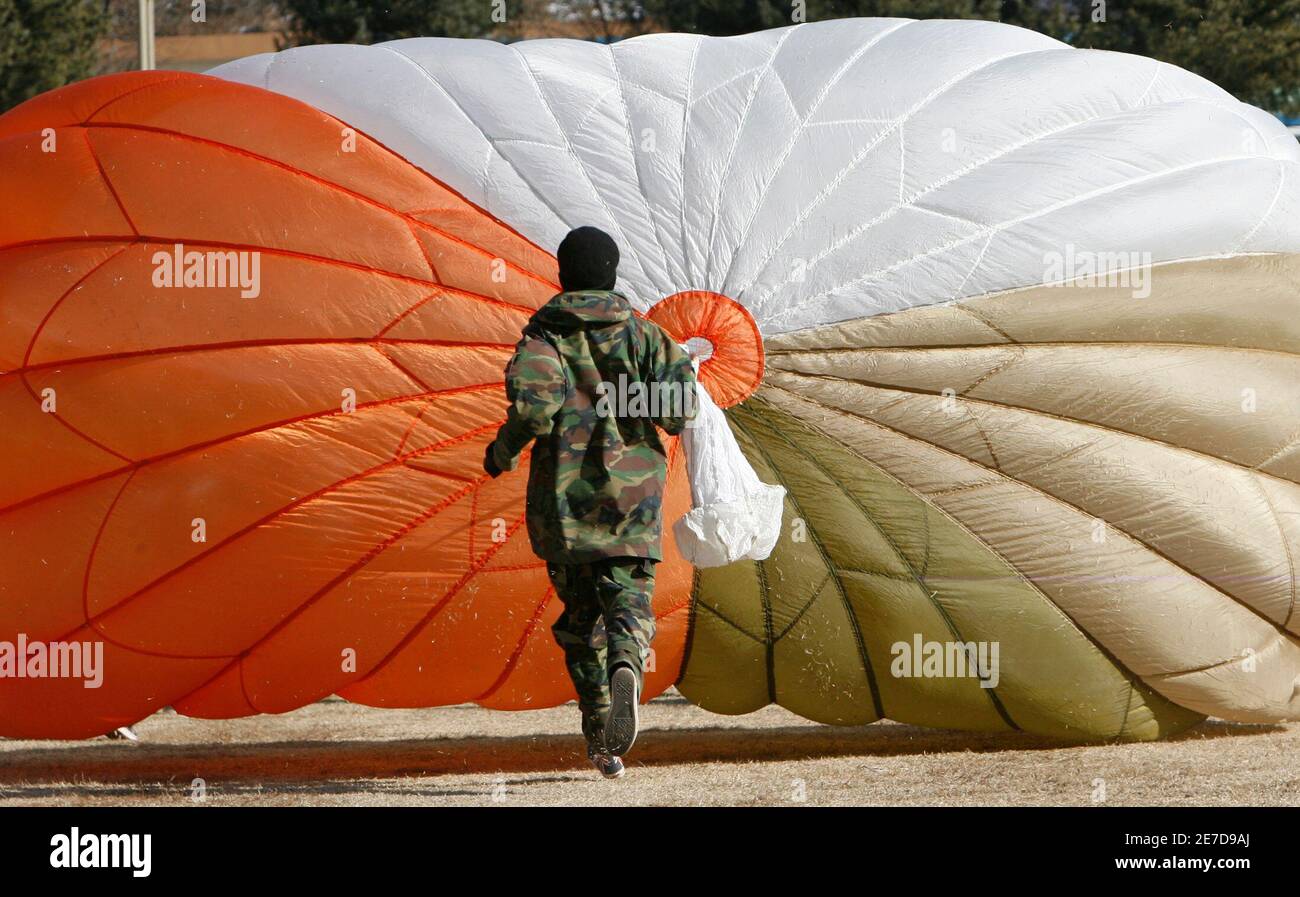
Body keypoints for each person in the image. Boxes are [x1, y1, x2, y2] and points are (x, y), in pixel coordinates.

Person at [483, 226, 697, 779]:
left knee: (580, 621)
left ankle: (600, 728)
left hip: (565, 509)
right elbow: (678, 411)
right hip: (633, 505)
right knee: (628, 598)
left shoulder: (544, 339)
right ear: (613, 273)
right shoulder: (647, 339)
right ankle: (629, 660)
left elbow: (535, 411)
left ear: (562, 274)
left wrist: (502, 451)